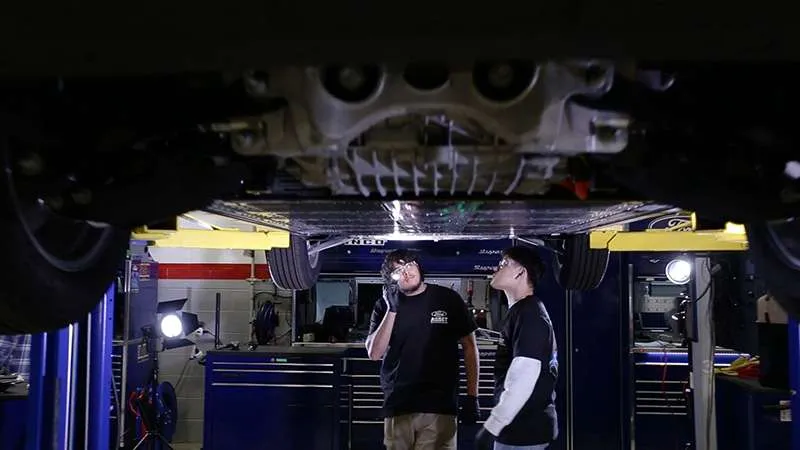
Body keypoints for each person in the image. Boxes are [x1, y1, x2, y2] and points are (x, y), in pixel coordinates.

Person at [366, 249, 481, 450]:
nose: (406, 272)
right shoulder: (384, 306)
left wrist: (472, 396)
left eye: (410, 265)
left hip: (439, 405)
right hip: (399, 404)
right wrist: (392, 310)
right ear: (390, 280)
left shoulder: (448, 299)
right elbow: (375, 353)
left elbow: (470, 347)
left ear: (419, 267)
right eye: (398, 271)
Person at [475, 246, 558, 450]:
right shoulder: (521, 312)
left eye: (504, 264)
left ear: (520, 272)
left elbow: (524, 374)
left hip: (524, 431)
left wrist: (493, 426)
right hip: (519, 428)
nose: (496, 268)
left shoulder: (529, 314)